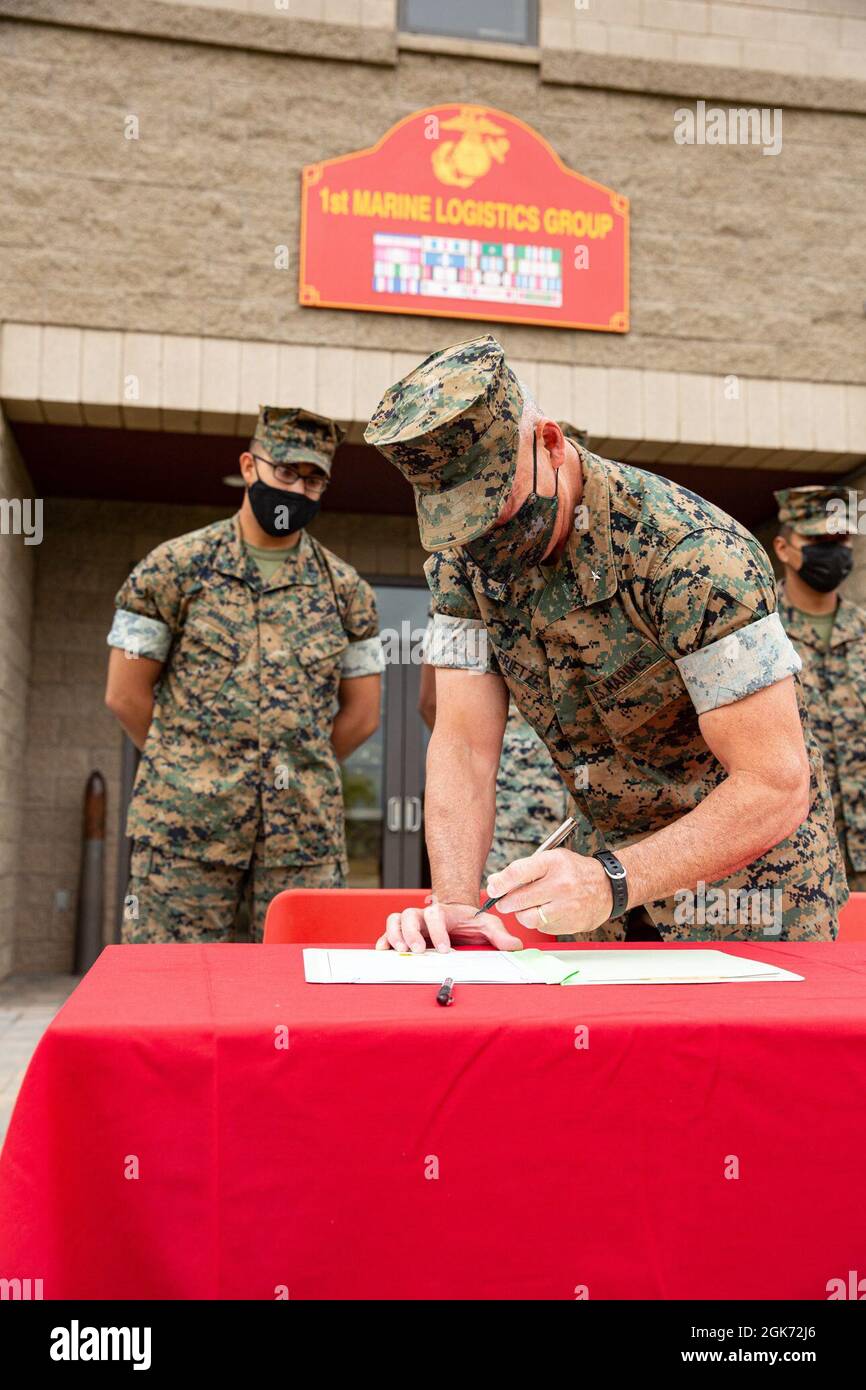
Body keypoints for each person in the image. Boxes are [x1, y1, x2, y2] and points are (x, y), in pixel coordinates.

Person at [363, 335, 841, 952]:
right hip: (600, 887)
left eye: (496, 509)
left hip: (748, 889)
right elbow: (463, 745)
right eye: (459, 522)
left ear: (551, 443)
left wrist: (615, 880)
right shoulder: (466, 564)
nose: (484, 542)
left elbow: (775, 783)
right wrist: (454, 902)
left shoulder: (690, 556)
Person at [105, 405, 383, 943]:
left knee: (300, 994)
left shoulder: (349, 593)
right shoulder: (171, 569)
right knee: (174, 993)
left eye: (313, 480)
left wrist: (293, 768)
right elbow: (124, 694)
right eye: (285, 472)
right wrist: (186, 770)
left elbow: (363, 715)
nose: (297, 490)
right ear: (249, 465)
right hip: (184, 836)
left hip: (301, 841)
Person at [774, 485, 866, 894]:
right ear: (784, 548)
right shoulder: (753, 631)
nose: (832, 553)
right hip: (796, 858)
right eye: (816, 541)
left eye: (839, 541)